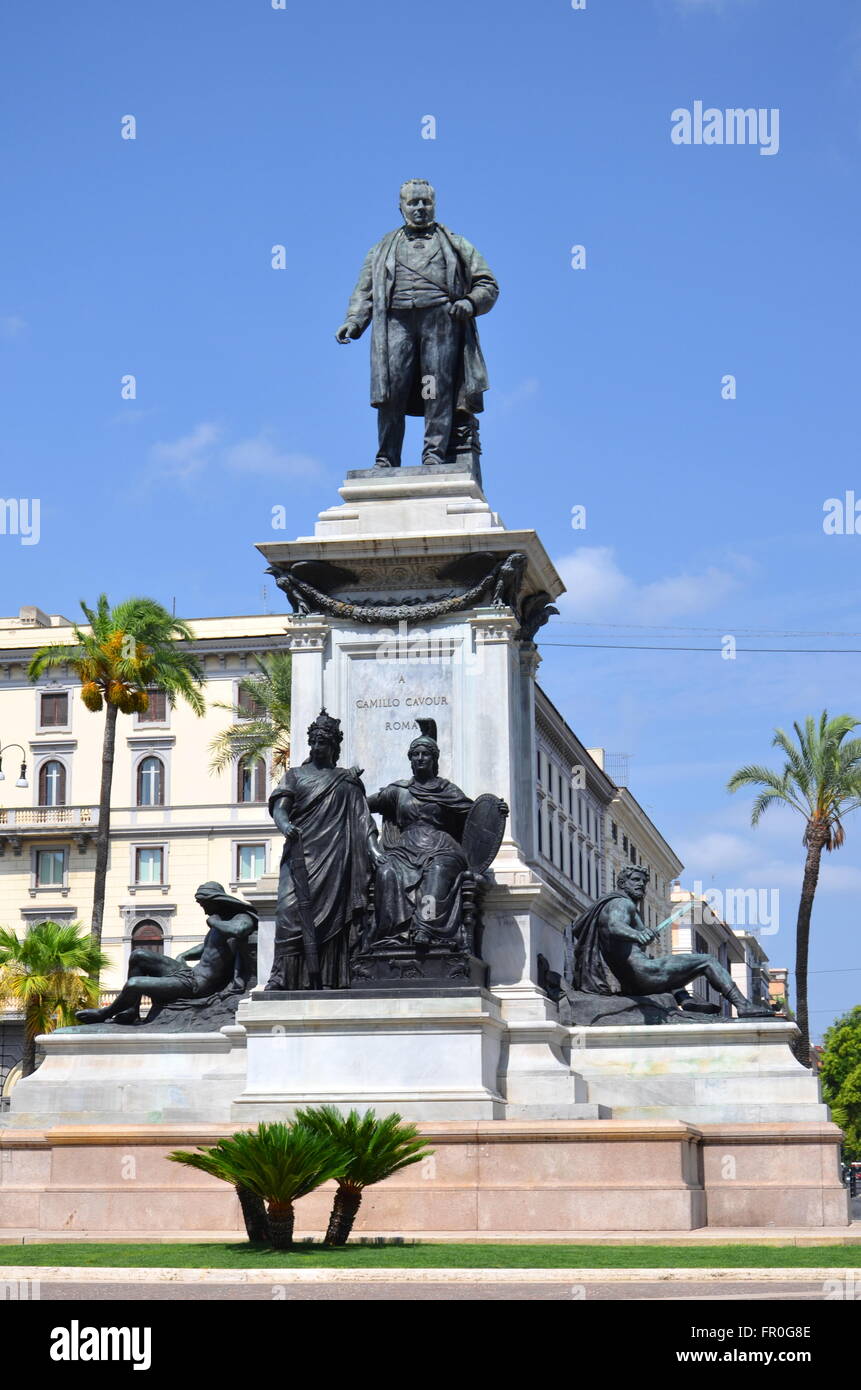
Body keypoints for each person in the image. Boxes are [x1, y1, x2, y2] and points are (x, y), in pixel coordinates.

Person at [335, 178, 499, 468]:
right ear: (401, 207)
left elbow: (487, 283)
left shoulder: (456, 243)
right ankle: (386, 457)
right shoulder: (381, 249)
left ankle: (433, 454)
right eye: (413, 202)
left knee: (433, 388)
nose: (420, 207)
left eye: (426, 202)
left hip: (440, 320)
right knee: (391, 389)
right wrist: (354, 321)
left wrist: (470, 302)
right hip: (396, 322)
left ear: (434, 205)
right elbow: (365, 291)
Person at [570, 866, 772, 1017]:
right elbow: (614, 925)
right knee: (708, 960)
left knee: (670, 966)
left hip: (631, 980)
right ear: (622, 884)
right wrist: (637, 935)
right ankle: (743, 1006)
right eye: (635, 880)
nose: (641, 884)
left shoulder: (616, 905)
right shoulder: (621, 903)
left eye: (643, 882)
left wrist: (641, 934)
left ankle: (686, 1000)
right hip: (643, 974)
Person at [266, 709, 374, 990]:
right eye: (313, 742)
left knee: (333, 917)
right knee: (289, 911)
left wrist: (376, 853)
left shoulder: (346, 780)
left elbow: (363, 821)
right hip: (300, 854)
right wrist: (285, 825)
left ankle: (329, 977)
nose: (315, 747)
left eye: (322, 742)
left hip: (336, 857)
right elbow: (280, 809)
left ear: (333, 746)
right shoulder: (295, 775)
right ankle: (282, 976)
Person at [365, 721, 484, 949]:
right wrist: (372, 845)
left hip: (441, 847)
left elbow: (474, 814)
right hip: (403, 849)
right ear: (410, 760)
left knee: (437, 871)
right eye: (415, 754)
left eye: (425, 754)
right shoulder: (398, 791)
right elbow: (359, 806)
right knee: (386, 872)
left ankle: (425, 928)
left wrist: (495, 811)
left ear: (434, 760)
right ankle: (393, 934)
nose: (420, 758)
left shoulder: (447, 790)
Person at [76, 882, 257, 1025]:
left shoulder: (239, 918)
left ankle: (105, 1013)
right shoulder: (220, 921)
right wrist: (185, 955)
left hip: (198, 984)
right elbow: (208, 947)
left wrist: (213, 922)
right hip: (191, 974)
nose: (204, 909)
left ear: (215, 900)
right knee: (138, 955)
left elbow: (240, 930)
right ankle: (131, 1010)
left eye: (204, 904)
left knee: (134, 984)